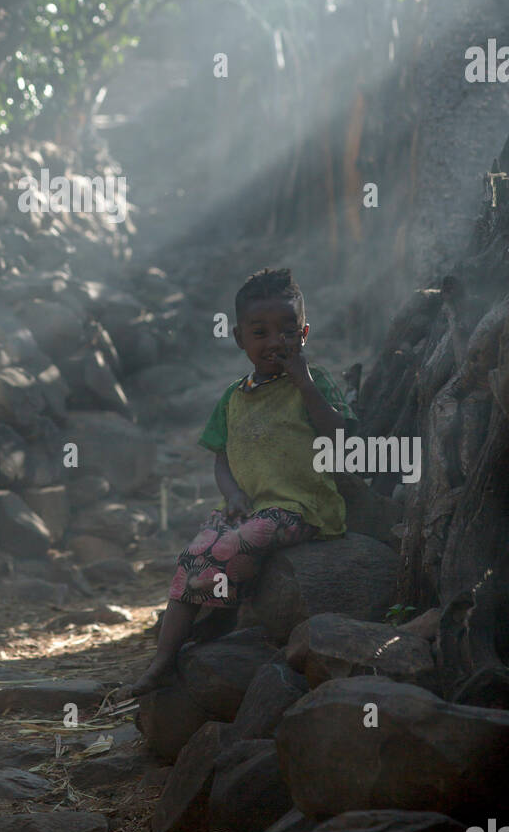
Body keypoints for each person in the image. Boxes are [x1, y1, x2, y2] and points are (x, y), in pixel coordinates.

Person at [127, 268, 357, 697]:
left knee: (241, 542)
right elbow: (223, 457)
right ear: (239, 339)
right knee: (189, 559)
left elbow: (339, 437)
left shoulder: (316, 382)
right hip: (249, 506)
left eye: (288, 330)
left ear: (304, 333)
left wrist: (304, 383)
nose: (275, 342)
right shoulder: (234, 396)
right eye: (260, 332)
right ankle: (162, 660)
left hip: (302, 508)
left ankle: (220, 612)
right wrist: (232, 494)